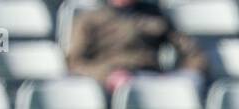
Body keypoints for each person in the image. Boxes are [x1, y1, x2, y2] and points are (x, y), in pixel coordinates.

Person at [66, 0, 208, 96]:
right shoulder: (90, 19)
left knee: (191, 82)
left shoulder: (154, 14)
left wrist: (189, 70)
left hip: (152, 77)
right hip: (115, 82)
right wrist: (107, 76)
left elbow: (191, 51)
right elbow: (74, 63)